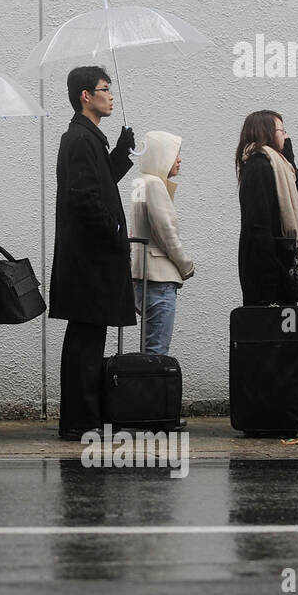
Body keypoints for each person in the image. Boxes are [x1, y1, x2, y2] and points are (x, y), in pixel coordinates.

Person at [48, 67, 136, 441]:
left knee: (87, 336)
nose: (111, 96)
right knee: (85, 340)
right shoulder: (80, 139)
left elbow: (98, 182)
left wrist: (120, 152)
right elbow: (83, 196)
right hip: (89, 260)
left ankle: (81, 417)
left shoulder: (88, 138)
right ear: (86, 96)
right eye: (104, 89)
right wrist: (113, 229)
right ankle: (79, 420)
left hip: (88, 260)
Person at [130, 130, 195, 354]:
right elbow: (165, 231)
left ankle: (145, 388)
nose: (179, 159)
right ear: (161, 154)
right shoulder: (154, 185)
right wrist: (186, 265)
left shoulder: (140, 182)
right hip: (160, 278)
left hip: (143, 276)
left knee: (150, 348)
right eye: (175, 153)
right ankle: (151, 390)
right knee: (156, 351)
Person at [235, 110, 298, 306]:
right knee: (267, 332)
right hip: (266, 270)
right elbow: (258, 225)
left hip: (278, 264)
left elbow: (296, 184)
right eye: (281, 130)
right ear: (264, 132)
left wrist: (288, 153)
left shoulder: (278, 165)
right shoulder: (259, 167)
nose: (286, 135)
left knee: (287, 332)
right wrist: (272, 276)